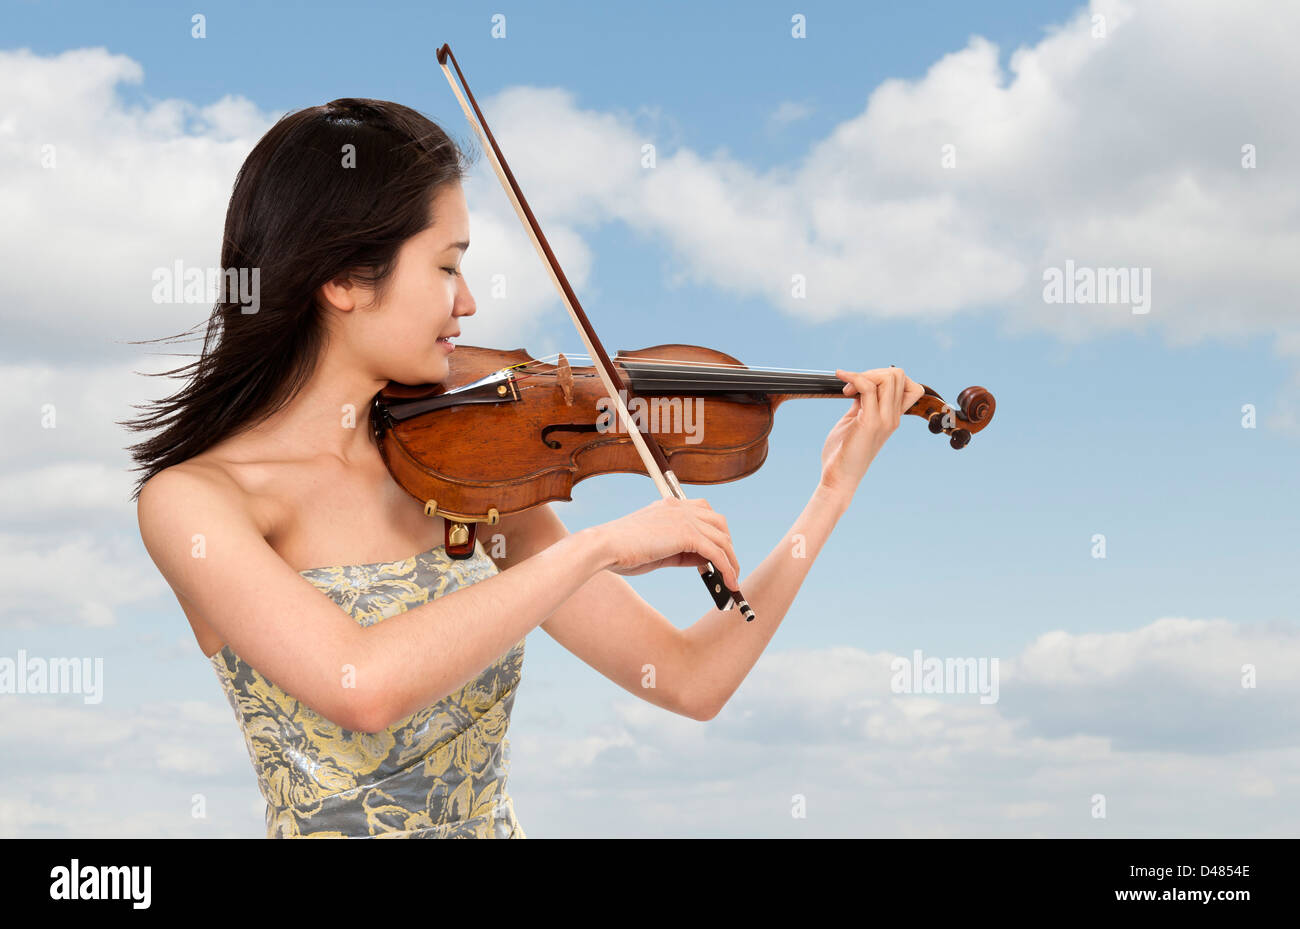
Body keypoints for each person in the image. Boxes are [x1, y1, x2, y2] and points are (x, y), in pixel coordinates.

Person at [127, 98, 924, 838]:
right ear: (341, 279)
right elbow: (360, 684)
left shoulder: (463, 474)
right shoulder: (196, 502)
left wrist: (832, 491)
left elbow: (690, 678)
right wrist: (597, 548)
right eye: (445, 266)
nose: (468, 301)